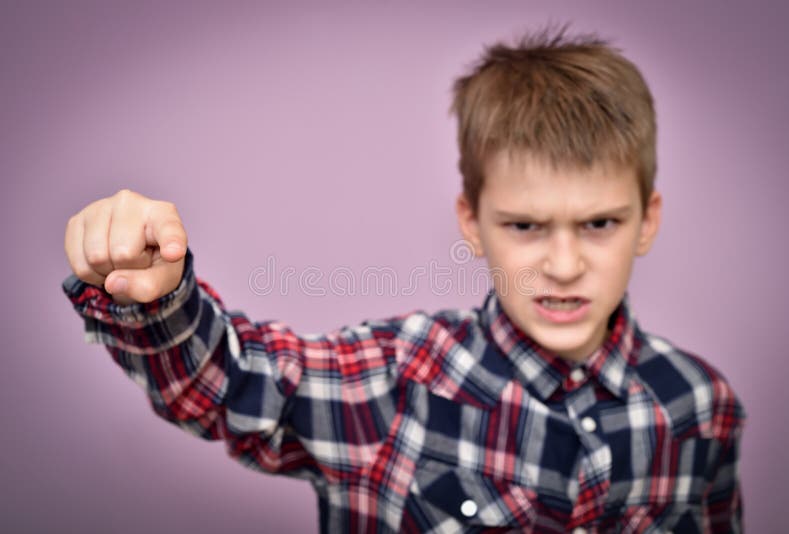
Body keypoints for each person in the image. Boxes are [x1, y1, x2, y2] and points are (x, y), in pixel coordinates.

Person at [62, 26, 745, 533]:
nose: (564, 266)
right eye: (524, 226)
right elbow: (230, 382)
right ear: (471, 222)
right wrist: (161, 297)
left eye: (599, 224)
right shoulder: (396, 379)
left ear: (647, 220)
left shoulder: (702, 408)